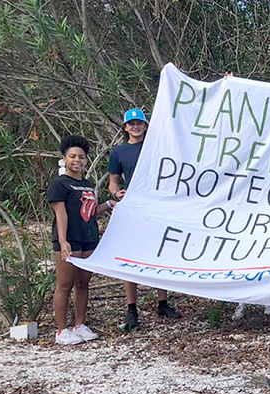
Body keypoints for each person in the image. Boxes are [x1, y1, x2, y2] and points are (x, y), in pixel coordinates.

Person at [107, 108, 182, 331]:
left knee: (158, 253)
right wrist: (115, 193)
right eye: (132, 124)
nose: (136, 127)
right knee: (130, 257)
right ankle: (132, 309)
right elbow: (113, 181)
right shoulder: (118, 152)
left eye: (139, 123)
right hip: (133, 209)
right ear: (125, 128)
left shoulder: (156, 148)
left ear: (146, 126)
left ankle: (162, 302)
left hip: (157, 207)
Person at [49, 135, 116, 344]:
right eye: (72, 157)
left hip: (89, 239)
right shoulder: (59, 184)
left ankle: (80, 324)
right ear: (64, 159)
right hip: (69, 240)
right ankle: (62, 330)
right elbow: (61, 215)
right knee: (64, 284)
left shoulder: (87, 184)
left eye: (81, 157)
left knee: (83, 282)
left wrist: (111, 203)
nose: (77, 160)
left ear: (86, 160)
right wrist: (63, 242)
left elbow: (90, 212)